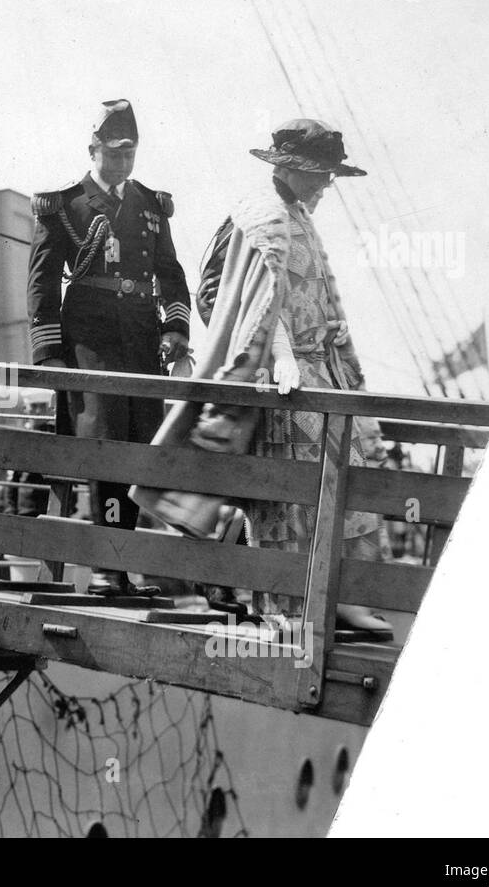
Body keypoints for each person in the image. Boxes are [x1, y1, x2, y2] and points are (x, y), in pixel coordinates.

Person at [131, 119, 391, 637]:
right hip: (277, 384)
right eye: (318, 174)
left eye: (329, 176)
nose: (325, 185)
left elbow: (306, 295)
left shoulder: (299, 214)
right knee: (285, 495)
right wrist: (271, 351)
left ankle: (345, 597)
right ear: (288, 168)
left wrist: (329, 329)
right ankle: (289, 610)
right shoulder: (255, 218)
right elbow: (221, 296)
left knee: (349, 478)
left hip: (322, 375)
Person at [27, 100, 192, 597]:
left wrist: (175, 330)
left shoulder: (150, 204)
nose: (122, 165)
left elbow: (171, 273)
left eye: (130, 155)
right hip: (91, 340)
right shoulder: (64, 206)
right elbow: (41, 286)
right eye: (114, 155)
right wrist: (50, 355)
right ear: (93, 149)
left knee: (140, 445)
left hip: (141, 338)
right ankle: (106, 569)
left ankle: (120, 566)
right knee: (103, 443)